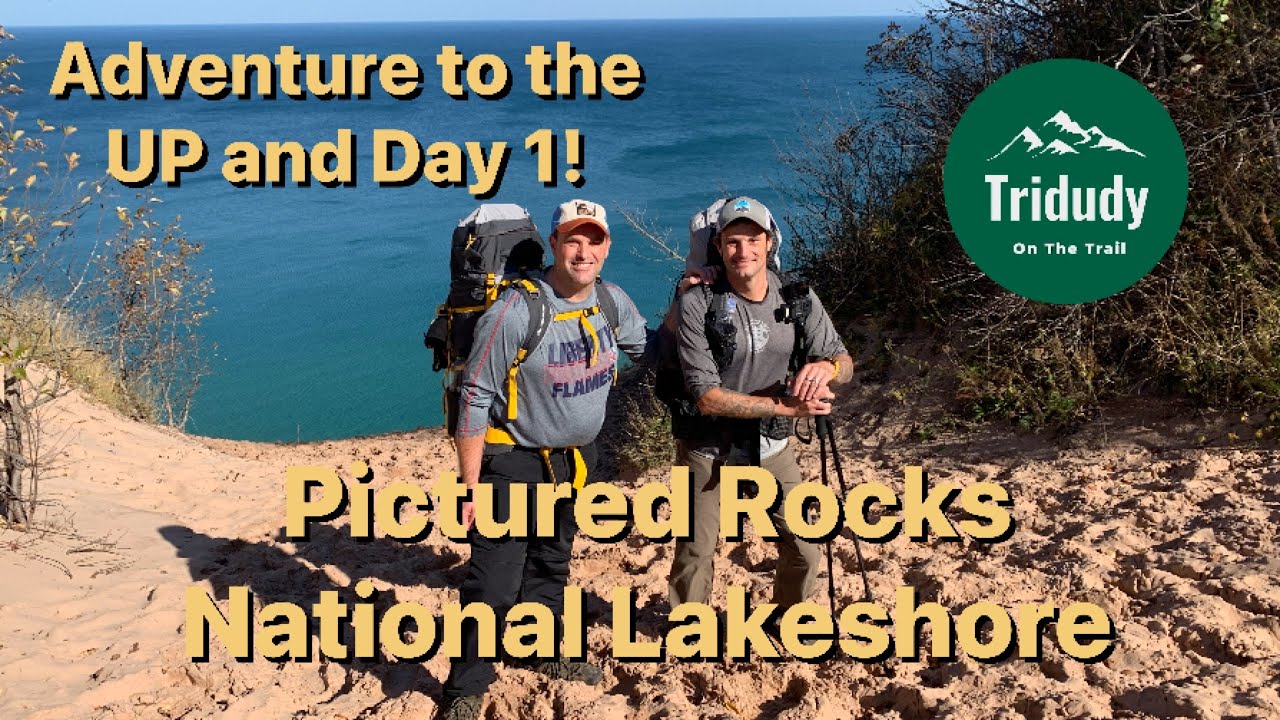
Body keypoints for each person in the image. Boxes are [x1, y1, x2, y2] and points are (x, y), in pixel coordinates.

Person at [439, 199, 649, 720]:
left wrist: (692, 295)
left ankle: (541, 649)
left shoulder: (612, 301)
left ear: (606, 247)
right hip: (512, 462)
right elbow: (474, 396)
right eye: (572, 240)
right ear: (553, 244)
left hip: (577, 460)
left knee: (550, 564)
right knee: (493, 583)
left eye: (593, 240)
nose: (583, 251)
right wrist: (469, 484)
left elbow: (653, 352)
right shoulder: (517, 310)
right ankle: (464, 691)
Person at [667, 196, 854, 618]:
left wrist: (825, 368)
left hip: (770, 446)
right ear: (718, 247)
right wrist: (787, 409)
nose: (744, 251)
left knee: (806, 546)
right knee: (696, 549)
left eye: (753, 240)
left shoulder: (797, 297)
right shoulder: (698, 302)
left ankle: (787, 617)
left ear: (769, 243)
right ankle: (688, 630)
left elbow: (844, 361)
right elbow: (706, 396)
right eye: (733, 241)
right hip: (706, 446)